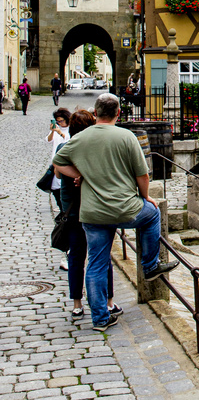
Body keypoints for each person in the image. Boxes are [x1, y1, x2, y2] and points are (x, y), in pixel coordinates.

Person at [53, 92, 178, 330]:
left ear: (96, 112)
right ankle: (150, 264)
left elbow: (58, 163)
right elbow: (142, 174)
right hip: (124, 210)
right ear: (118, 113)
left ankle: (100, 318)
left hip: (93, 214)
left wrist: (79, 174)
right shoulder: (125, 136)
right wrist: (146, 196)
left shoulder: (80, 138)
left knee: (97, 263)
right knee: (152, 214)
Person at [57, 109, 121, 322]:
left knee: (76, 258)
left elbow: (56, 172)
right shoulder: (93, 150)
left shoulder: (64, 148)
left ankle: (77, 305)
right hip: (94, 211)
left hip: (72, 212)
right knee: (102, 258)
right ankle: (109, 303)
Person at [46, 108, 71, 215]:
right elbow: (48, 140)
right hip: (55, 160)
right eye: (57, 121)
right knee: (55, 186)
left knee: (63, 185)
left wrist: (61, 133)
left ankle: (65, 208)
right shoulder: (56, 129)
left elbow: (69, 142)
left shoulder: (70, 129)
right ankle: (60, 205)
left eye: (61, 121)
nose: (59, 123)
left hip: (65, 161)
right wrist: (53, 131)